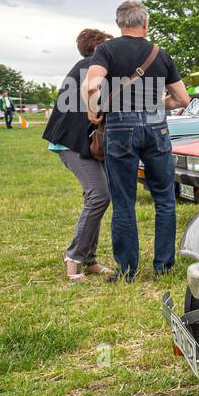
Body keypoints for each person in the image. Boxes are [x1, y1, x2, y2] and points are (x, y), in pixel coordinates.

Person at [84, 0, 189, 282]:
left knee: (124, 200)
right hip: (157, 128)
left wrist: (93, 109)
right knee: (165, 199)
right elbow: (182, 98)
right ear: (145, 23)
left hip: (120, 129)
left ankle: (128, 271)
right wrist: (157, 104)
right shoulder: (160, 54)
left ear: (119, 24)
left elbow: (93, 84)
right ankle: (163, 267)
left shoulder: (106, 50)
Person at [43, 29, 114, 282]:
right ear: (96, 48)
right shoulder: (90, 67)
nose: (113, 50)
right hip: (71, 144)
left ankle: (89, 258)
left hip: (81, 143)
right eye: (108, 46)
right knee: (99, 195)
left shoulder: (92, 67)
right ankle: (74, 257)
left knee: (96, 195)